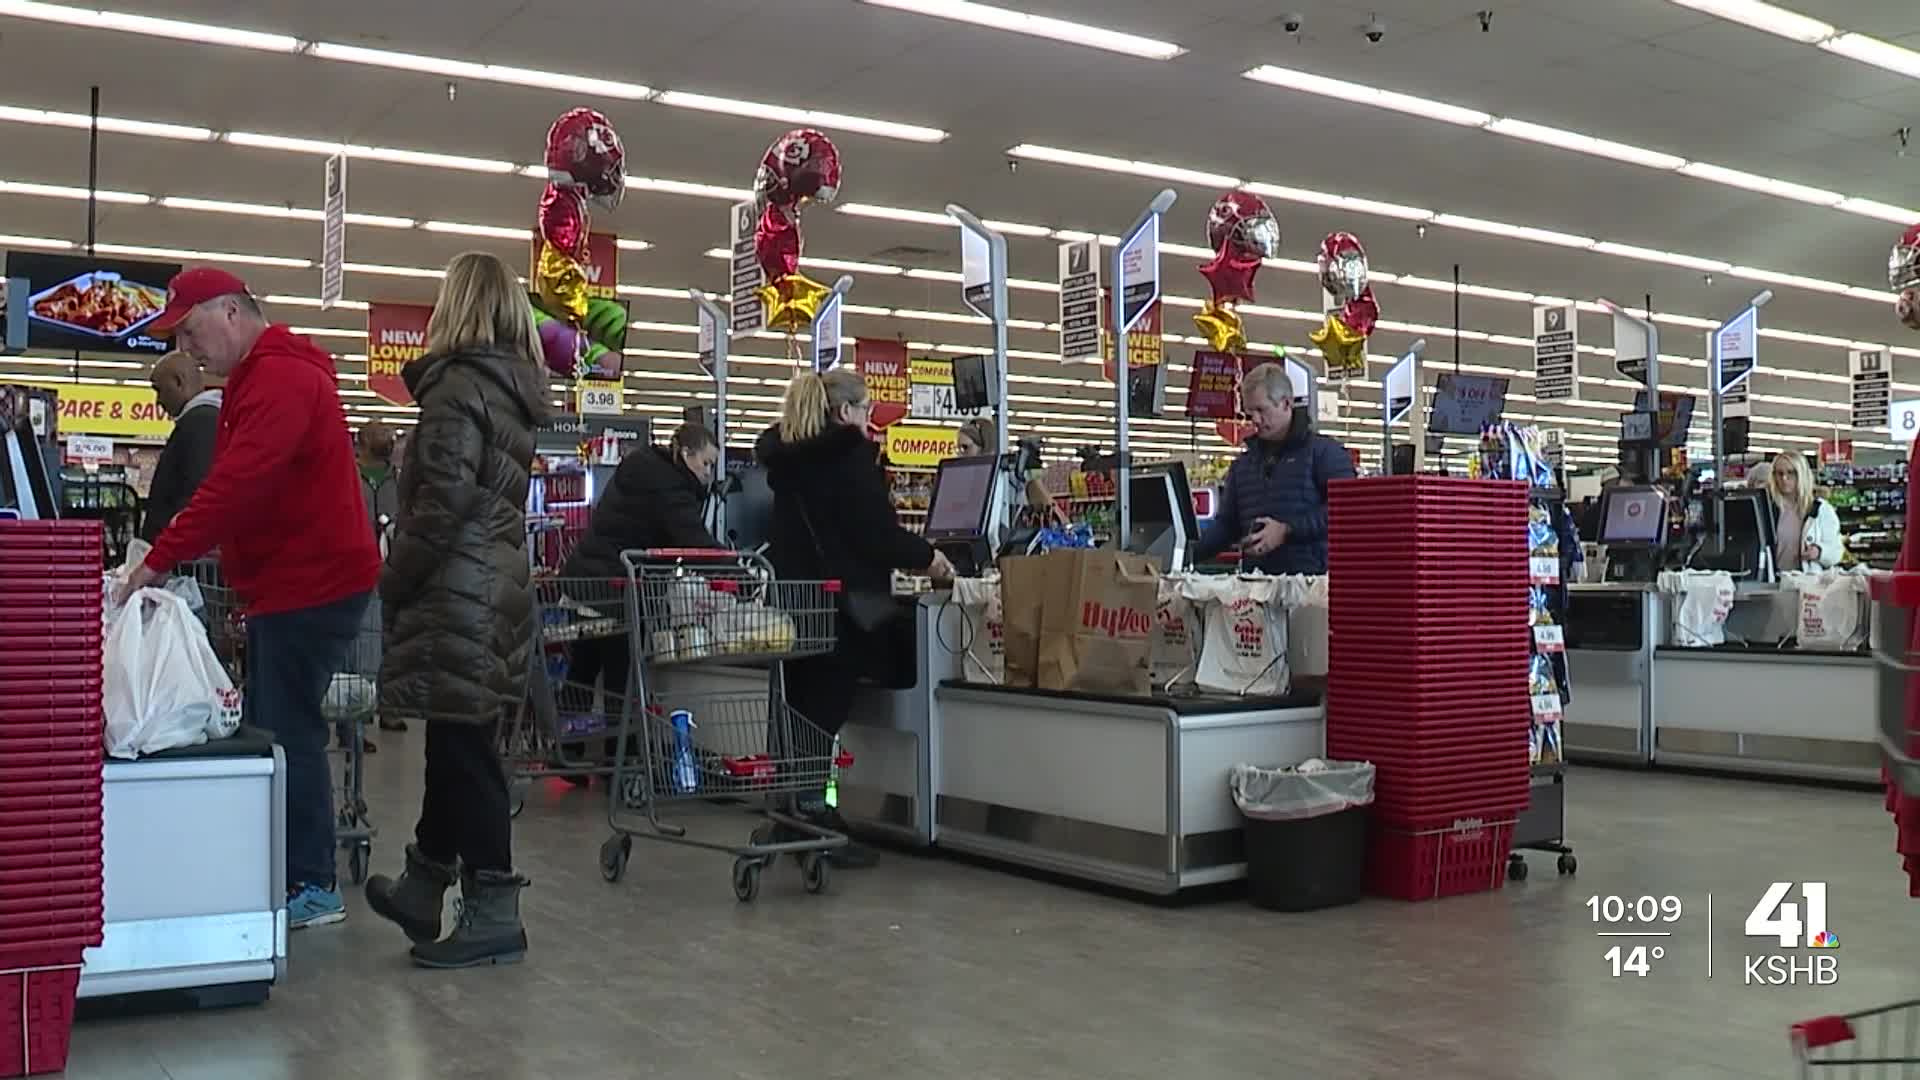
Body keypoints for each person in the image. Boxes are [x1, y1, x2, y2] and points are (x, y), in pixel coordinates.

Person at [115, 268, 379, 930]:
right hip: (295, 581)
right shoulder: (258, 379)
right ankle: (296, 872)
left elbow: (236, 485)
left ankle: (311, 882)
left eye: (190, 330)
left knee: (287, 727)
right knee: (279, 721)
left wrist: (159, 560)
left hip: (312, 583)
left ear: (230, 312)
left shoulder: (280, 379)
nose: (186, 347)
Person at [363, 251, 547, 969]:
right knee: (454, 741)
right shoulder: (507, 390)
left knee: (467, 755)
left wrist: (392, 580)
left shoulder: (456, 389)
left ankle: (495, 912)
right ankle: (424, 883)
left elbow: (439, 506)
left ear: (455, 307)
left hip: (457, 591)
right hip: (492, 586)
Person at [757, 369, 953, 867]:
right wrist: (928, 556)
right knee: (823, 716)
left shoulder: (788, 462)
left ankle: (799, 813)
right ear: (844, 412)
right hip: (841, 609)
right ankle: (811, 823)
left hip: (795, 602)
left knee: (801, 713)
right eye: (866, 410)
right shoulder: (847, 458)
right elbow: (875, 535)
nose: (870, 421)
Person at [560, 422, 721, 761]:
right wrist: (739, 573)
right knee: (621, 676)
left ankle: (568, 750)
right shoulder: (669, 486)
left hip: (587, 579)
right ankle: (621, 758)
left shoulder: (645, 465)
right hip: (614, 587)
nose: (709, 473)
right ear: (685, 454)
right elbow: (693, 539)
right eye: (706, 463)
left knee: (583, 669)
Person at [1195, 362, 1355, 574]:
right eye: (1250, 412)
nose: (1255, 420)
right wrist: (1186, 552)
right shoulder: (1243, 466)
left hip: (1313, 584)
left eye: (1261, 410)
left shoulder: (1325, 453)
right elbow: (1227, 526)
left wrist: (1287, 530)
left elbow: (1347, 510)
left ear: (1286, 404)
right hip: (1257, 585)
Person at [354, 421, 404, 741]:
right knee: (364, 647)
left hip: (392, 569)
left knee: (393, 642)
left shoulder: (396, 479)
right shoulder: (350, 476)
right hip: (359, 569)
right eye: (380, 435)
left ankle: (389, 708)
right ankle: (356, 722)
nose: (387, 440)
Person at [140, 350, 221, 543]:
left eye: (159, 390)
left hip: (181, 552)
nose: (158, 401)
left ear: (179, 382)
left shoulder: (200, 422)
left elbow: (195, 494)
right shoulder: (201, 420)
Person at [1761, 451, 1842, 573]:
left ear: (1801, 474)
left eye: (1791, 473)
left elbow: (1836, 551)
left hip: (1807, 579)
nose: (1784, 478)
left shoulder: (1820, 509)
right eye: (1779, 473)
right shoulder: (1767, 508)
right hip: (1773, 579)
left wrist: (1819, 552)